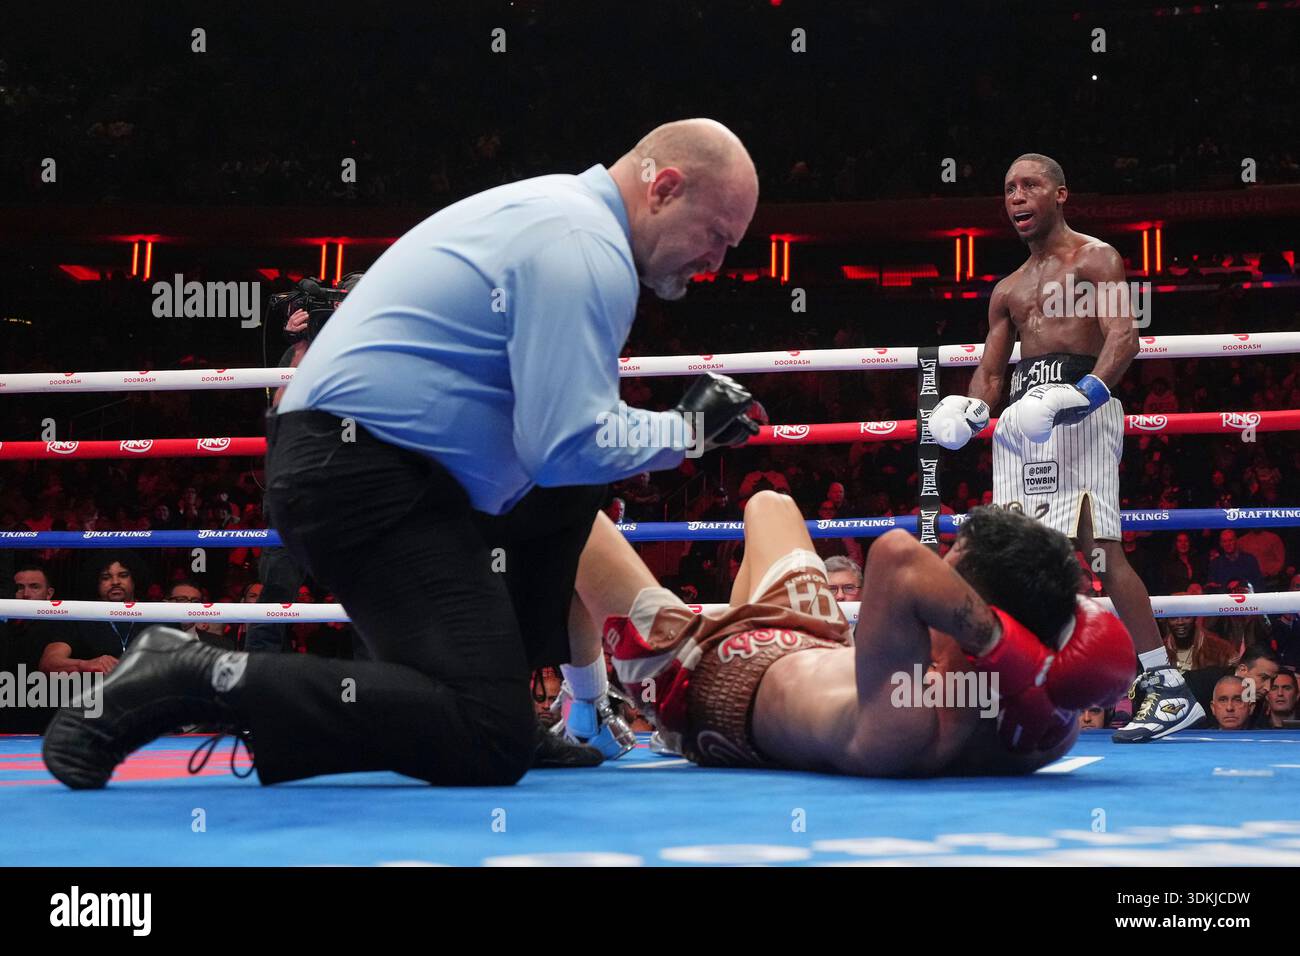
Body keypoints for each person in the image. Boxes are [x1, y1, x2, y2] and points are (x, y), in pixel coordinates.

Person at [44, 118, 762, 790]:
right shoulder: (583, 248)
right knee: (487, 734)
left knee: (569, 501)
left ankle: (536, 705)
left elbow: (563, 462)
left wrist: (668, 433)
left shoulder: (563, 215)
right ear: (663, 186)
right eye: (717, 235)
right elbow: (565, 444)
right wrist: (685, 432)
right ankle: (192, 672)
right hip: (361, 476)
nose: (718, 260)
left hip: (387, 473)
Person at [578, 495, 1133, 776]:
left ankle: (586, 710)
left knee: (572, 518)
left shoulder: (914, 724)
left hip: (703, 680)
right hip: (811, 638)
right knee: (770, 505)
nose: (937, 563)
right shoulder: (1034, 726)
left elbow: (895, 554)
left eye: (950, 561)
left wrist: (995, 640)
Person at [928, 153, 1186, 743]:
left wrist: (1083, 395)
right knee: (1018, 554)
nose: (1017, 197)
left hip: (1081, 409)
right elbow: (991, 374)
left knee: (1097, 550)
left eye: (1030, 185)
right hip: (1022, 421)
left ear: (1061, 194)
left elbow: (1124, 336)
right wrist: (969, 411)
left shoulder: (1096, 258)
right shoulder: (1008, 289)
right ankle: (1023, 688)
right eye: (1009, 188)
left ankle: (1165, 686)